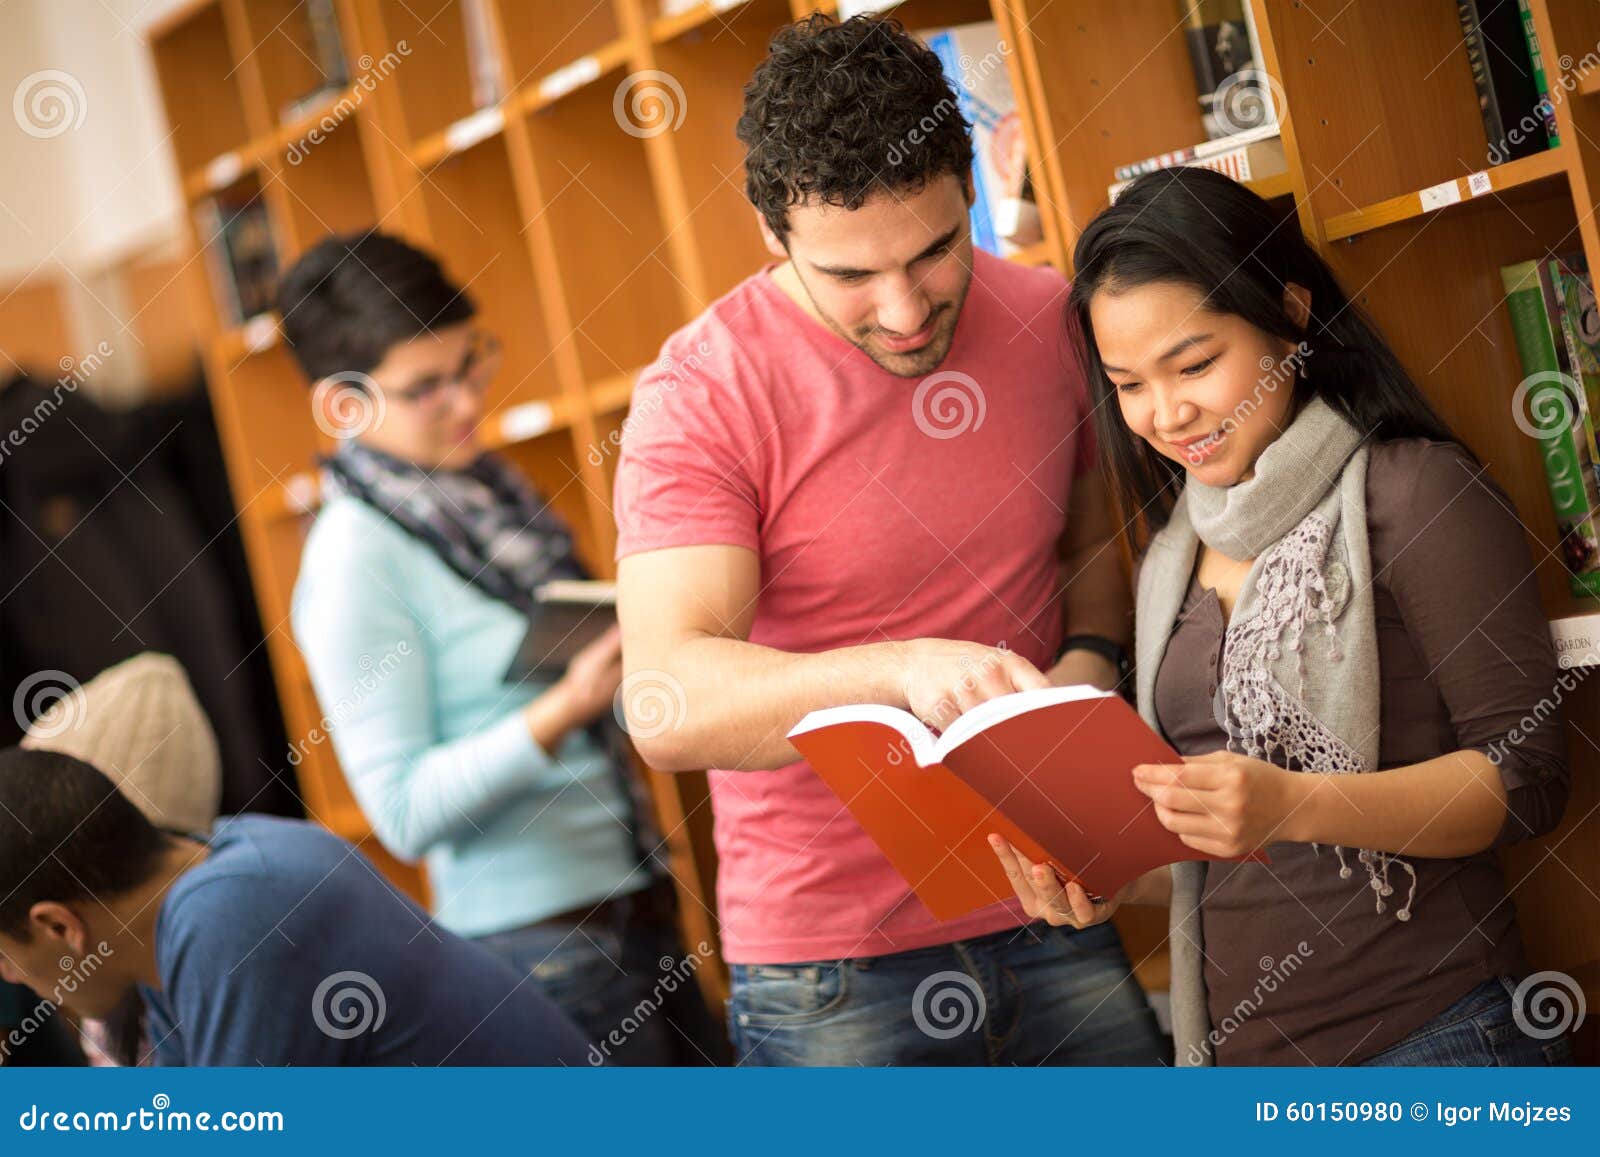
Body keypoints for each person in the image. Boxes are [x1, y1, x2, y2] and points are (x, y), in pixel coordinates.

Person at [613, 14, 1164, 1066]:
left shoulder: (1053, 320)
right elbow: (667, 701)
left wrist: (1076, 682)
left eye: (935, 250)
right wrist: (908, 671)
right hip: (834, 968)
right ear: (770, 234)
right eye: (851, 276)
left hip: (1056, 911)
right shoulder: (702, 392)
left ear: (969, 193)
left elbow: (1093, 564)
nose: (906, 309)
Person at [991, 165, 1574, 1067]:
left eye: (1195, 365)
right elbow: (1218, 846)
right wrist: (1100, 875)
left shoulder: (1413, 489)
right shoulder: (1171, 551)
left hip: (1429, 1039)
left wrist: (1295, 802)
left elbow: (1529, 777)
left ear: (1291, 313)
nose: (1167, 412)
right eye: (1128, 384)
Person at [280, 231, 713, 1065]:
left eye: (468, 363)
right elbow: (404, 814)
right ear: (344, 406)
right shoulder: (352, 559)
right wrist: (566, 708)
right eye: (425, 388)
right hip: (538, 951)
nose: (465, 401)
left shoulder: (484, 491)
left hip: (637, 902)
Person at [0, 746, 589, 1066]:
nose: (8, 977)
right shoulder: (212, 870)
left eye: (2, 957)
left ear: (57, 925)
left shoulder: (230, 915)